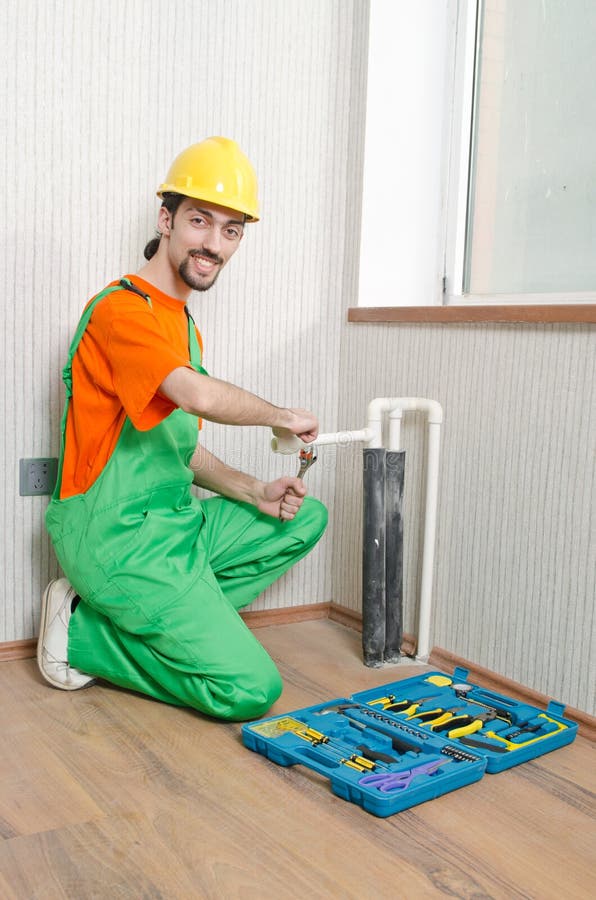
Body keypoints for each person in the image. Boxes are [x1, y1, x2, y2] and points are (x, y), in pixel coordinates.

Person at [37, 137, 327, 721]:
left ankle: (164, 615)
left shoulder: (184, 328)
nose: (214, 244)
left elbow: (180, 448)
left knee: (304, 518)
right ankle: (82, 637)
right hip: (115, 536)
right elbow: (195, 395)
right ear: (165, 220)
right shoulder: (122, 312)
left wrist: (252, 491)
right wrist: (282, 415)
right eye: (200, 221)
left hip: (174, 527)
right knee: (249, 690)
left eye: (231, 230)